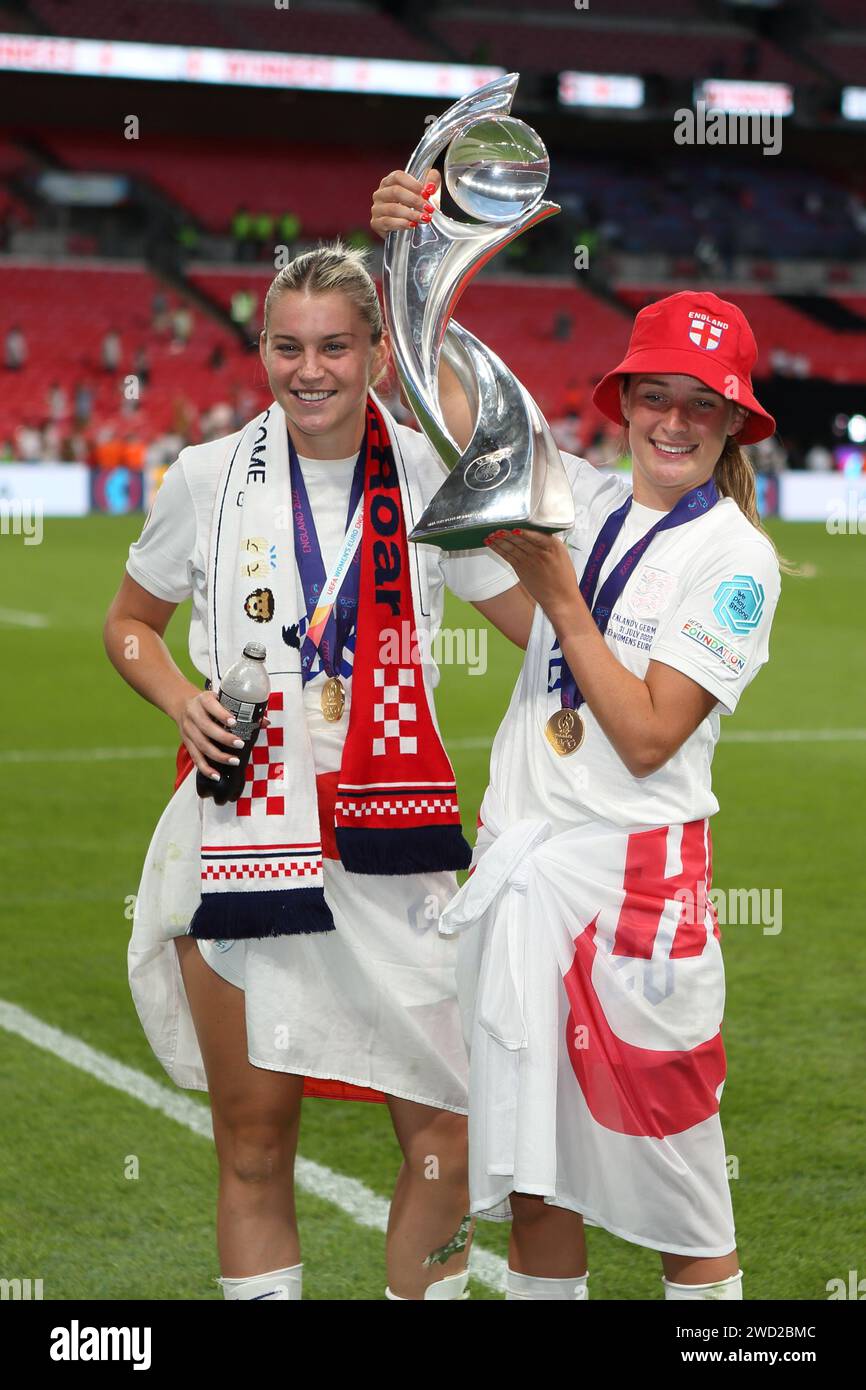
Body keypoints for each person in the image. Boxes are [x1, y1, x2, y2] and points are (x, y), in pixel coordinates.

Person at [371, 170, 783, 1301]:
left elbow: (648, 733)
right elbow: (449, 411)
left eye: (701, 406)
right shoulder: (590, 502)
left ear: (733, 422)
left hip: (634, 909)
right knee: (539, 1190)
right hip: (527, 890)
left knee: (682, 1207)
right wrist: (408, 263)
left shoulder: (733, 558)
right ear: (623, 400)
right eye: (654, 396)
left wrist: (557, 596)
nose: (672, 422)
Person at [103, 242, 521, 1301]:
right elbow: (130, 626)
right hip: (240, 824)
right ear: (259, 351)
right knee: (253, 1141)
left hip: (393, 835)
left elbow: (530, 617)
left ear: (378, 353)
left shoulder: (431, 473)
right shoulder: (204, 474)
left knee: (449, 1129)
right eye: (286, 346)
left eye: (335, 345)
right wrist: (175, 696)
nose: (310, 369)